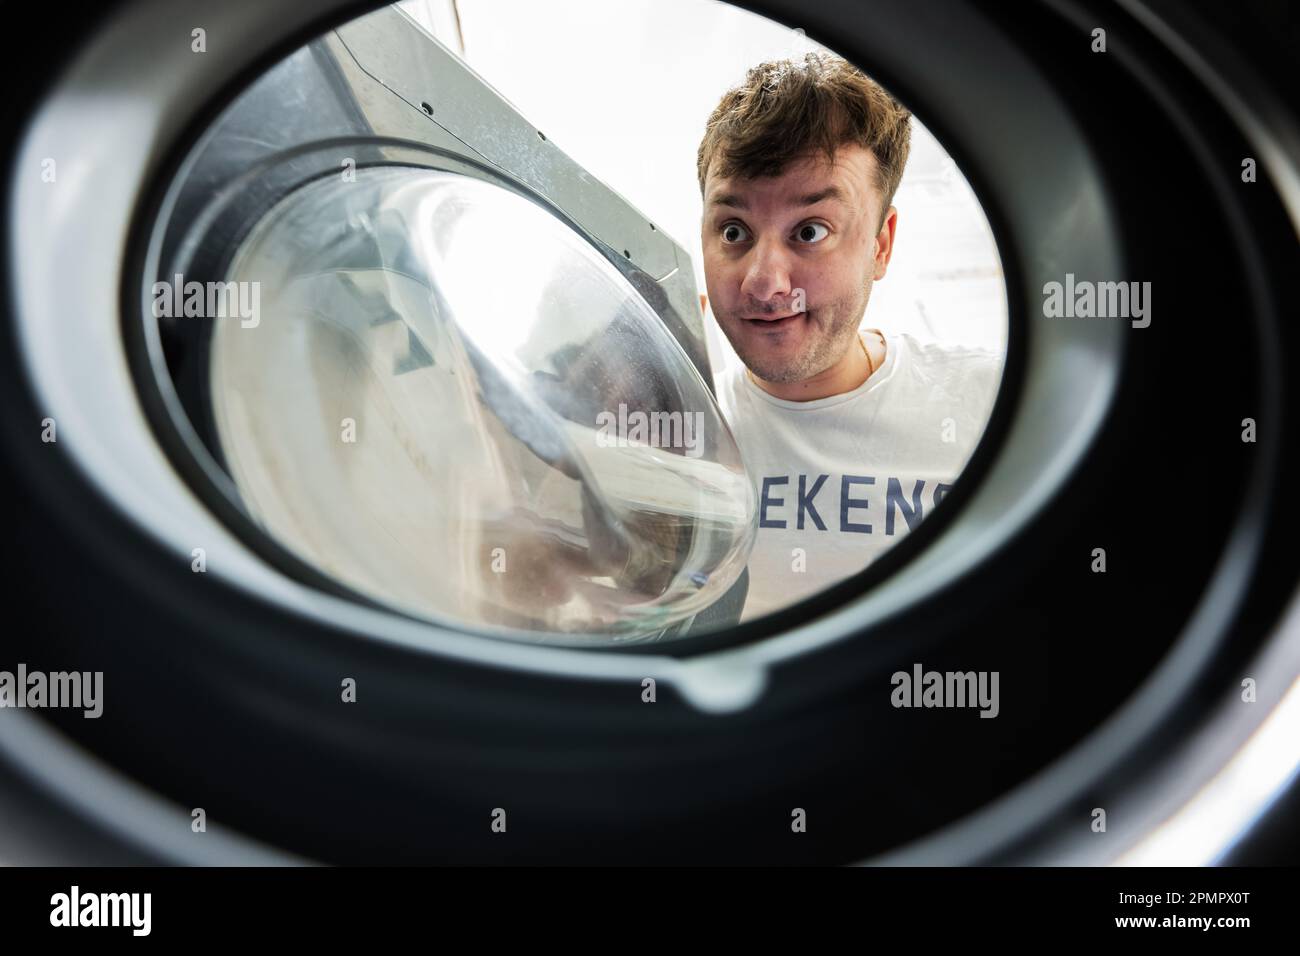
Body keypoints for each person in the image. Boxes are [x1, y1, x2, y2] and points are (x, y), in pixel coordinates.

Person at [697, 52, 1003, 621]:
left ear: (880, 246)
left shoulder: (992, 406)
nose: (764, 283)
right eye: (733, 230)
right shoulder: (679, 423)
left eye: (810, 231)